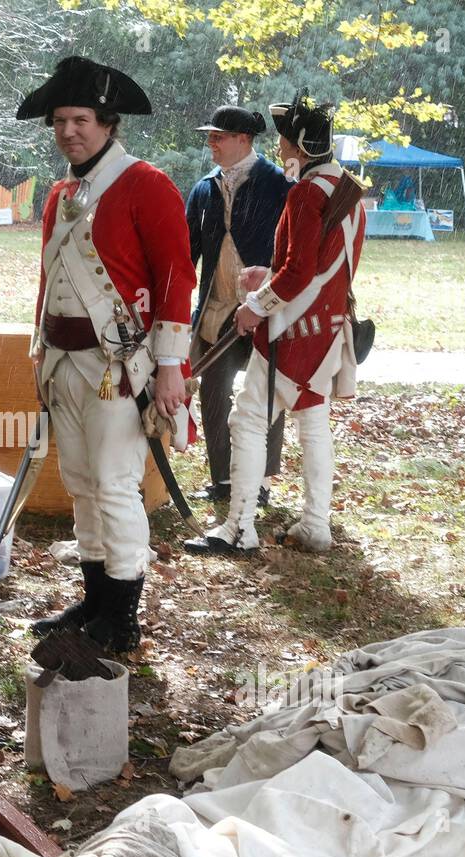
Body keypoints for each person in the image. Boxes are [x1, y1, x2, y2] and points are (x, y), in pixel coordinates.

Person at [16, 57, 196, 652]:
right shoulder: (62, 194)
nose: (69, 131)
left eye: (81, 119)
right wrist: (40, 347)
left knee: (116, 486)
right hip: (64, 361)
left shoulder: (147, 183)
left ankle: (121, 619)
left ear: (109, 123)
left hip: (120, 366)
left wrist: (170, 365)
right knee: (80, 484)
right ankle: (95, 604)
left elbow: (176, 278)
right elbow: (49, 277)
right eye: (61, 121)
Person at [201, 89, 366, 556]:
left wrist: (256, 303)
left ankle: (238, 527)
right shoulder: (347, 191)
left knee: (248, 420)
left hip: (292, 331)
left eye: (286, 142)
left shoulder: (306, 194)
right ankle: (315, 524)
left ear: (300, 147)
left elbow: (300, 272)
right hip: (328, 328)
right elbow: (324, 266)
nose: (281, 149)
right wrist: (270, 274)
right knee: (313, 425)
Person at [182, 106, 292, 554]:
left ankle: (261, 479)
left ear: (244, 139)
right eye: (210, 136)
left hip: (265, 305)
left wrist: (267, 290)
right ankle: (223, 477)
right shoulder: (204, 187)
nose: (212, 143)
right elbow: (187, 249)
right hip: (218, 303)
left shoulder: (277, 185)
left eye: (220, 136)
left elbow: (291, 250)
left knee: (266, 395)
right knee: (213, 388)